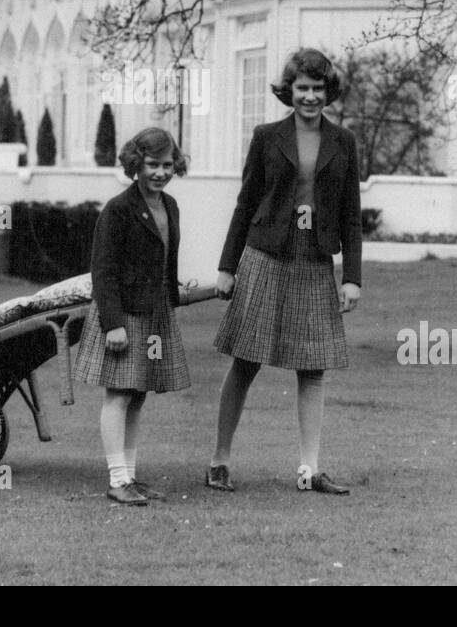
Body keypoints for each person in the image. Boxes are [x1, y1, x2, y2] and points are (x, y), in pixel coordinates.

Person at [207, 48, 362, 495]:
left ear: (328, 92)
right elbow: (245, 203)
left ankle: (309, 470)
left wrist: (352, 276)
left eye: (318, 89)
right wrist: (227, 267)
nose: (310, 97)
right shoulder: (266, 137)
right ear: (289, 91)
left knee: (313, 367)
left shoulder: (344, 142)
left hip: (315, 258)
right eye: (302, 88)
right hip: (266, 254)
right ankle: (219, 462)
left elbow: (351, 214)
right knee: (246, 359)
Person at [74, 127, 191, 505]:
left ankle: (130, 477)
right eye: (153, 164)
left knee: (138, 394)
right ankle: (116, 480)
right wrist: (113, 325)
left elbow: (164, 259)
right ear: (136, 164)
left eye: (168, 165)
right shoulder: (118, 209)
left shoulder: (170, 205)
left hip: (155, 312)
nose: (161, 172)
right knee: (119, 395)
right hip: (124, 314)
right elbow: (103, 271)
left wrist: (173, 295)